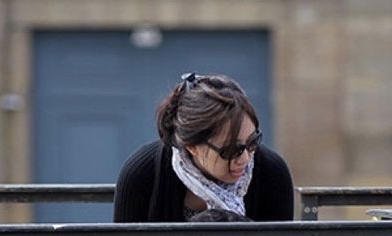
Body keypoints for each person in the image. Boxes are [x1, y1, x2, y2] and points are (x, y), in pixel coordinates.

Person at [113, 73, 294, 222]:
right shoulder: (143, 172)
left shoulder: (271, 171)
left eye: (253, 142)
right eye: (230, 150)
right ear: (192, 147)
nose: (246, 158)